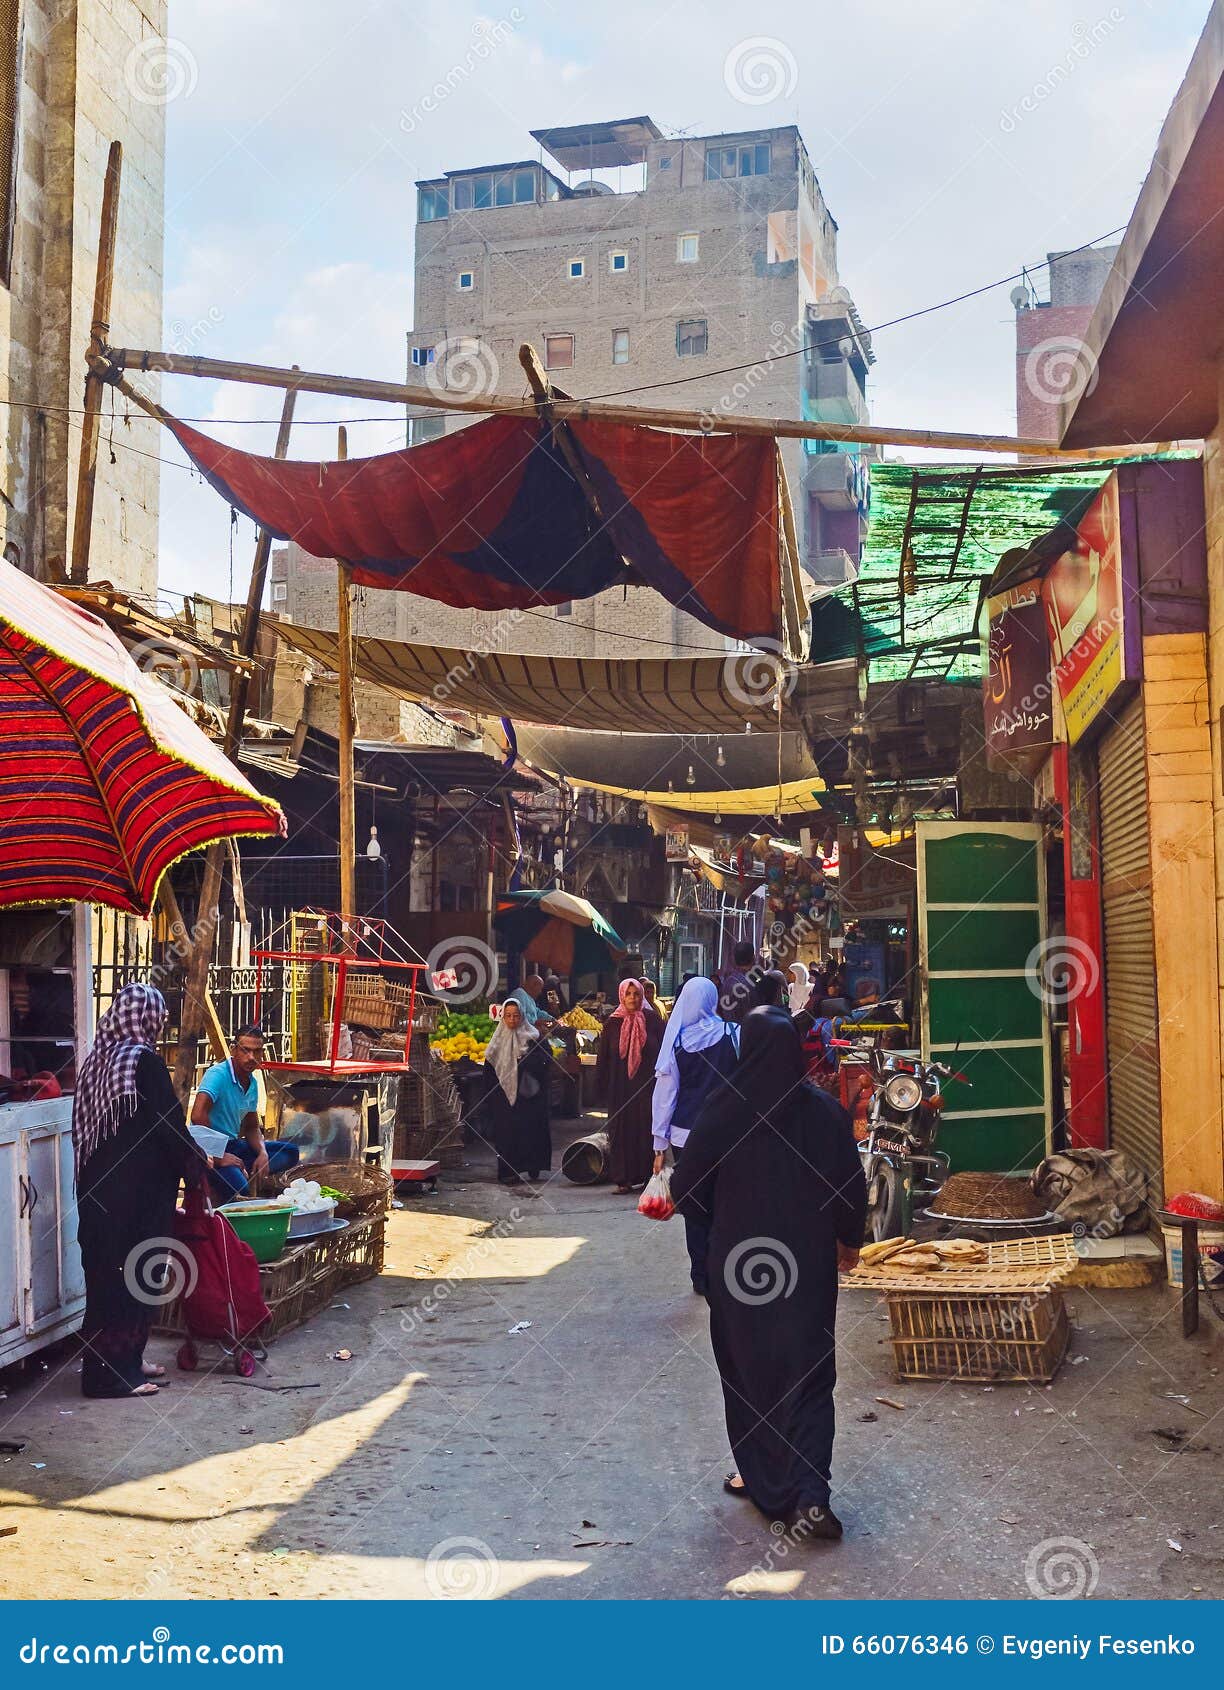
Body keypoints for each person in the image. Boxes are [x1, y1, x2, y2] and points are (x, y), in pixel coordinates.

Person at [671, 1006, 866, 1538]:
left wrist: (718, 1223)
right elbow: (851, 1185)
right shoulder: (824, 1112)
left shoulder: (722, 1109)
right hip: (807, 1266)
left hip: (740, 1269)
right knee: (809, 1372)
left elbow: (687, 1189)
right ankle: (811, 1494)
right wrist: (848, 1240)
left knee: (750, 1373)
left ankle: (767, 1482)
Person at [73, 983, 207, 1398]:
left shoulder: (96, 1060)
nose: (160, 1025)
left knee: (106, 1279)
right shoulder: (143, 1062)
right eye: (159, 1018)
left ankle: (128, 1359)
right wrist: (197, 1167)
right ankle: (112, 1378)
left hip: (97, 1194)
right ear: (148, 1019)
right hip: (135, 1197)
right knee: (134, 1277)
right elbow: (168, 1125)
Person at [651, 977, 740, 1295]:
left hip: (685, 1136)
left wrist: (659, 1144)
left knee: (694, 1205)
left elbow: (666, 1095)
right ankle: (724, 1268)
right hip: (729, 1134)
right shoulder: (734, 1034)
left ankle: (700, 1274)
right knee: (727, 1201)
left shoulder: (676, 1043)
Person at [192, 1026, 300, 1203]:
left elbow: (251, 1127)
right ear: (234, 1050)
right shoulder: (218, 1074)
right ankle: (231, 1173)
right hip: (207, 1152)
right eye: (245, 1050)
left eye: (257, 1052)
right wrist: (219, 1156)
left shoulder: (252, 1083)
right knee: (241, 1189)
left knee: (291, 1152)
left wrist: (262, 1154)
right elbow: (198, 1115)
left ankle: (242, 1168)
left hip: (234, 1145)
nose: (251, 1057)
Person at [595, 978, 663, 1193]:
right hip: (619, 1088)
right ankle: (622, 1179)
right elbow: (603, 1058)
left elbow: (664, 1052)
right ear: (621, 996)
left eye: (636, 994)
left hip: (647, 1087)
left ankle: (646, 1176)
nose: (632, 998)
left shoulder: (653, 1020)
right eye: (628, 994)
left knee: (645, 1129)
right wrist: (601, 1086)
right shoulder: (612, 1024)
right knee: (620, 1131)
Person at [483, 997, 552, 1184]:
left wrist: (526, 1062)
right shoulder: (497, 1042)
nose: (512, 1020)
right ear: (503, 1018)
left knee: (530, 1132)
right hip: (503, 1098)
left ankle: (533, 1166)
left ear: (522, 1016)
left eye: (516, 1016)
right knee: (506, 1134)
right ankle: (508, 1172)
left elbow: (546, 1060)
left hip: (529, 1097)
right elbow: (489, 1069)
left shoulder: (533, 1037)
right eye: (508, 1016)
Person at [716, 940, 758, 1024]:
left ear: (734, 959)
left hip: (728, 1029)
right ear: (753, 958)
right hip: (744, 1029)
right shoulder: (748, 984)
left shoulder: (727, 981)